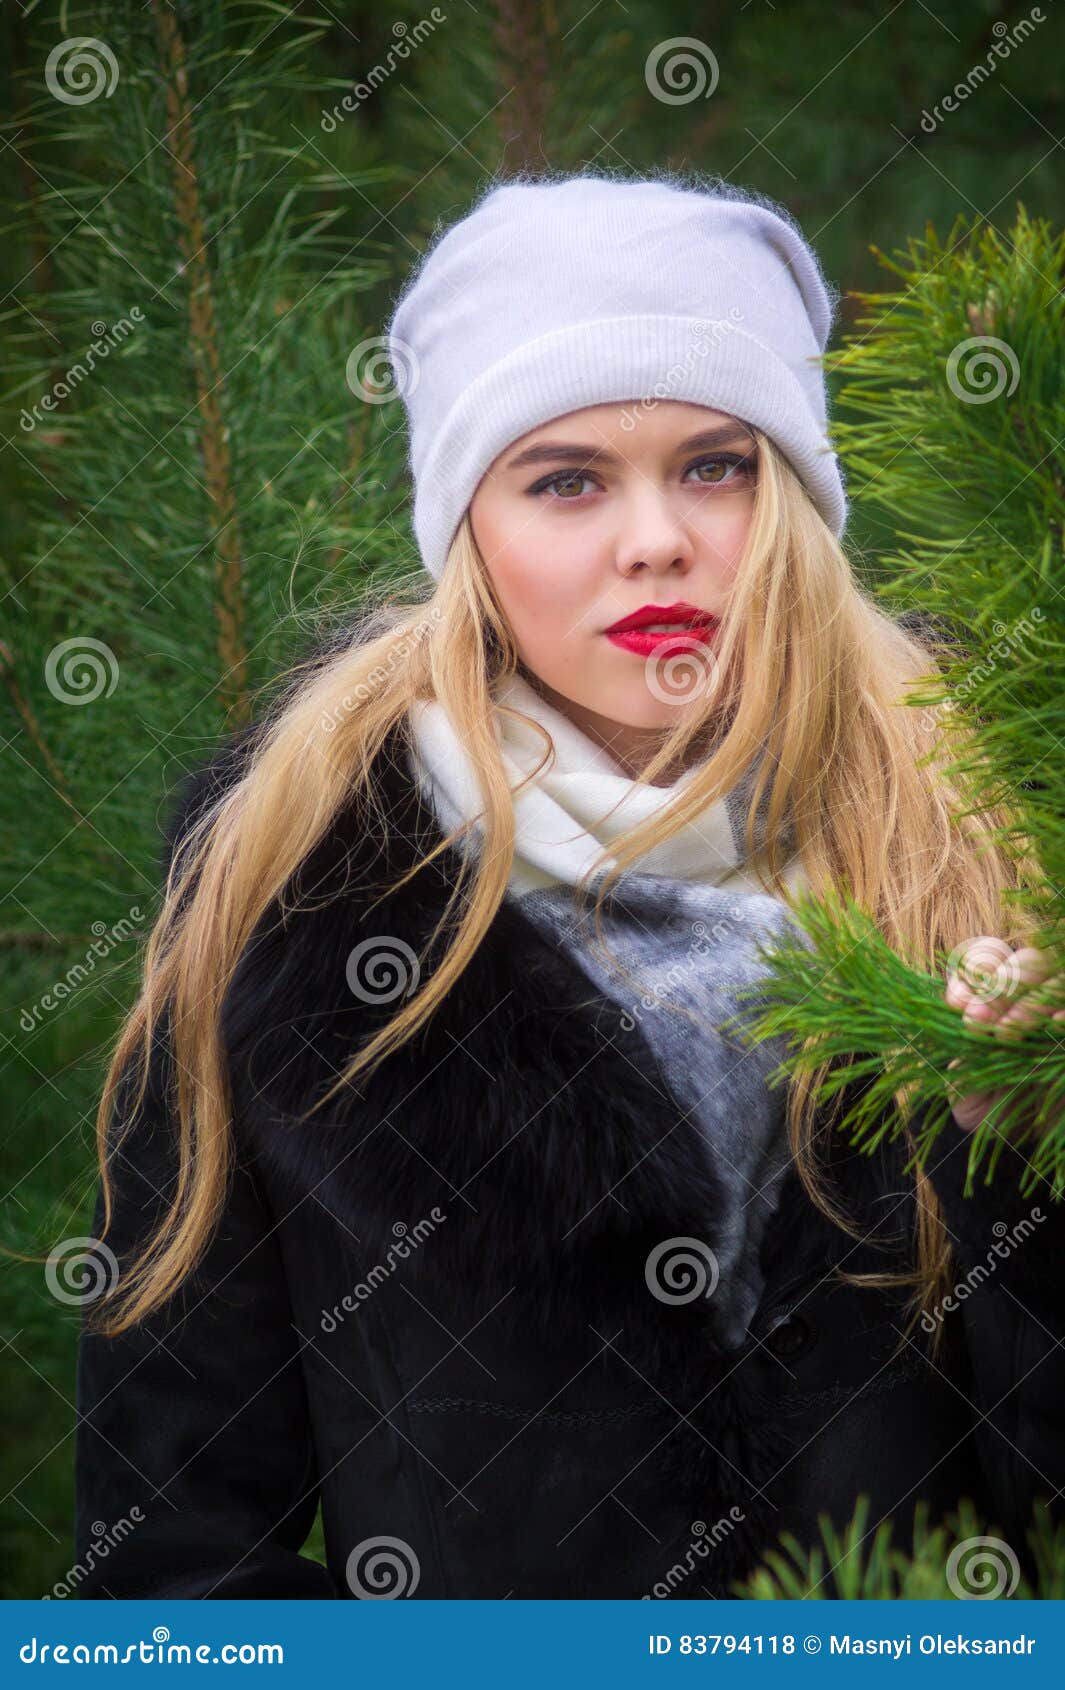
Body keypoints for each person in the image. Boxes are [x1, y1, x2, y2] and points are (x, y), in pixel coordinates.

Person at [73, 170, 1065, 1601]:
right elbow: (170, 1545)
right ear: (466, 528)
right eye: (566, 479)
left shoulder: (989, 828)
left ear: (792, 495)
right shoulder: (284, 871)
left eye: (716, 463)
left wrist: (1013, 1162)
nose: (654, 536)